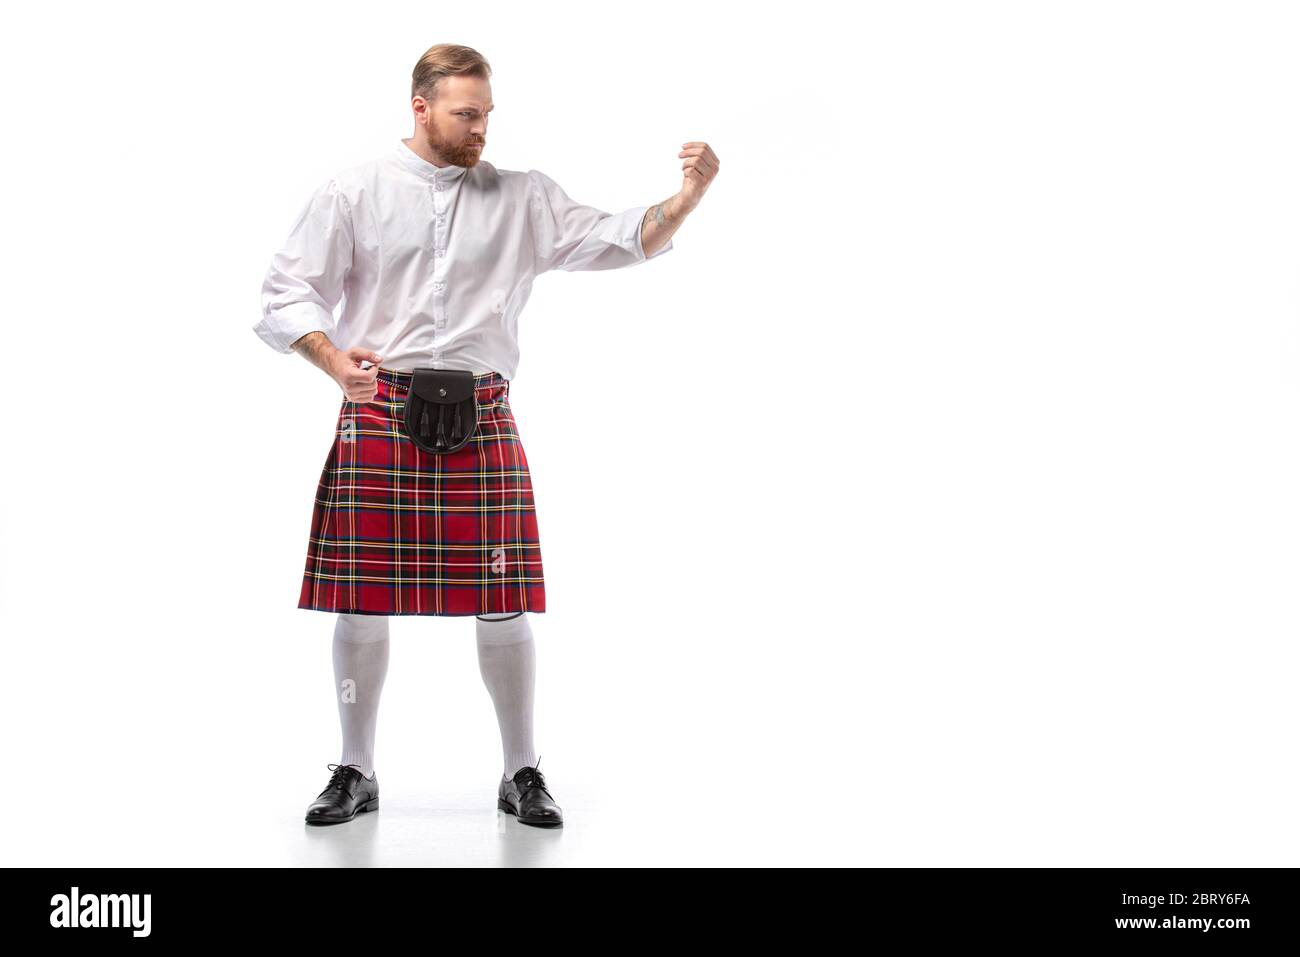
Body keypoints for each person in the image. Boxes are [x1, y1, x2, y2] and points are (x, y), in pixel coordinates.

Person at [252, 43, 719, 828]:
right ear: (421, 106)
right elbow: (283, 294)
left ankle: (521, 771)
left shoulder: (522, 197)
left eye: (488, 114)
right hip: (380, 411)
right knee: (361, 602)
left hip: (483, 412)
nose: (481, 129)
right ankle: (356, 769)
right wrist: (334, 361)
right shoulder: (353, 193)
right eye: (466, 114)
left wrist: (688, 198)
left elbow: (616, 237)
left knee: (503, 601)